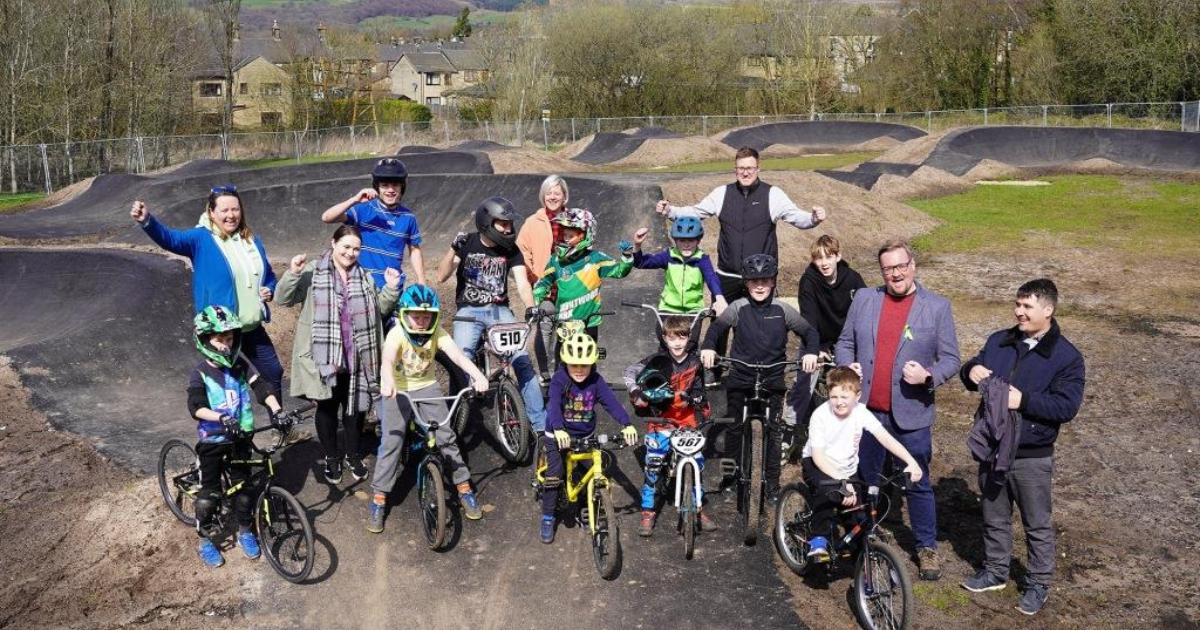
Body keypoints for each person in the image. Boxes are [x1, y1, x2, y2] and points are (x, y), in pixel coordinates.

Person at [835, 239, 960, 581]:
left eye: (901, 266)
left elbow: (951, 358)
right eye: (888, 268)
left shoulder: (936, 306)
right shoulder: (864, 299)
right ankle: (865, 539)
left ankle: (926, 547)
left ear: (913, 265)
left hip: (912, 414)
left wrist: (928, 376)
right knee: (864, 478)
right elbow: (845, 342)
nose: (895, 274)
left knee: (916, 480)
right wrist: (848, 367)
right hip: (868, 412)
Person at [958, 279, 1085, 616]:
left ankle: (1038, 583)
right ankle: (995, 572)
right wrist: (970, 370)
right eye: (1018, 304)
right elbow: (971, 365)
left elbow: (1066, 407)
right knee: (994, 515)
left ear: (1048, 310)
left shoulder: (1067, 358)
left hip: (1031, 455)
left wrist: (1023, 400)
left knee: (1037, 523)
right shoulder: (999, 341)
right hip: (992, 445)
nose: (1019, 312)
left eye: (1027, 306)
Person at [656, 146, 827, 353]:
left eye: (750, 168)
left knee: (757, 326)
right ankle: (715, 371)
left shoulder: (773, 195)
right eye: (740, 168)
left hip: (759, 277)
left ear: (758, 169)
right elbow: (696, 211)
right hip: (726, 275)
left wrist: (813, 219)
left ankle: (754, 368)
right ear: (735, 170)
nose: (745, 172)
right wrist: (670, 211)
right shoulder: (722, 194)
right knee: (720, 324)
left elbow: (796, 217)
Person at [275, 225, 401, 485]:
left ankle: (352, 456)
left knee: (355, 410)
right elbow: (282, 299)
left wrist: (390, 289)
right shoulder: (313, 271)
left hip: (358, 357)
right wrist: (293, 272)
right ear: (333, 244)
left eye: (356, 248)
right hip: (325, 358)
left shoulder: (363, 276)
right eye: (346, 246)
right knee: (327, 409)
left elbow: (379, 311)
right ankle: (332, 457)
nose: (351, 253)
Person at [131, 188, 283, 394]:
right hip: (220, 332)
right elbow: (170, 239)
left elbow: (269, 276)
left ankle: (279, 421)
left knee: (273, 372)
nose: (231, 215)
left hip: (251, 327)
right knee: (228, 384)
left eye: (235, 209)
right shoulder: (201, 238)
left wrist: (269, 289)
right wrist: (147, 221)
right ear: (212, 212)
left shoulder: (252, 240)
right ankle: (228, 425)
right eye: (224, 210)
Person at [367, 284, 490, 533]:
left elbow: (458, 357)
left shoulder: (438, 334)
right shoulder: (398, 333)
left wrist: (478, 376)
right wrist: (387, 379)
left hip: (427, 387)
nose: (422, 322)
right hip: (398, 390)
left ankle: (464, 487)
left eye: (427, 316)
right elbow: (388, 359)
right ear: (404, 314)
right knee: (392, 442)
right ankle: (379, 498)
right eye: (416, 316)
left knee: (446, 437)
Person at [701, 254, 819, 503]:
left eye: (765, 280)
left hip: (772, 377)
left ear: (773, 281)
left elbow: (809, 332)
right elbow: (715, 330)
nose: (760, 285)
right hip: (741, 375)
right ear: (746, 282)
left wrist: (810, 352)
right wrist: (709, 347)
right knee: (733, 428)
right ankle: (730, 479)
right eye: (754, 281)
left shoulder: (783, 310)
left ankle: (773, 484)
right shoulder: (738, 308)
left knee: (774, 432)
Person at [435, 196, 546, 433]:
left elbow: (522, 283)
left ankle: (540, 426)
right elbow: (441, 276)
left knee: (522, 362)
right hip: (469, 311)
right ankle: (454, 423)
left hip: (500, 311)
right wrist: (452, 249)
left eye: (509, 224)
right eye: (502, 224)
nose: (508, 229)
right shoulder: (467, 242)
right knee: (460, 359)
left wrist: (530, 306)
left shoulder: (511, 249)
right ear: (486, 222)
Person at [187, 305, 283, 568]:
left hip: (241, 437)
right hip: (213, 441)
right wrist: (220, 418)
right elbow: (196, 407)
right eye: (219, 339)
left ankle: (245, 531)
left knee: (244, 489)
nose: (225, 345)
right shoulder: (201, 372)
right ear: (205, 340)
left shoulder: (240, 363)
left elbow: (260, 386)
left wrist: (277, 410)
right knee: (210, 497)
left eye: (229, 339)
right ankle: (206, 539)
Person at [801, 367, 923, 562]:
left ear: (857, 396)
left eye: (844, 396)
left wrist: (911, 461)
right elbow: (818, 456)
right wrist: (841, 481)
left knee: (858, 511)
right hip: (819, 464)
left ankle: (858, 552)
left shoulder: (861, 412)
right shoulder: (820, 415)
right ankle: (818, 539)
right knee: (829, 494)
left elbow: (885, 438)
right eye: (834, 397)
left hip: (847, 468)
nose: (839, 402)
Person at [540, 332, 638, 544]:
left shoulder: (596, 381)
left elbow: (611, 402)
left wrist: (627, 423)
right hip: (558, 434)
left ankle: (586, 510)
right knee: (554, 476)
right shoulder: (559, 379)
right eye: (574, 365)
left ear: (592, 364)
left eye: (584, 365)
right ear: (565, 362)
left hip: (585, 435)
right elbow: (554, 404)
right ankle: (548, 516)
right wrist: (558, 428)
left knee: (589, 474)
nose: (579, 370)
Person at [624, 315, 716, 536]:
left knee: (696, 463)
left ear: (689, 338)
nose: (677, 342)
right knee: (653, 466)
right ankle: (648, 510)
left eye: (682, 337)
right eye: (672, 337)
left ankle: (697, 507)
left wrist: (700, 403)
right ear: (664, 338)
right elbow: (629, 372)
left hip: (687, 422)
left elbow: (700, 389)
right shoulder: (656, 360)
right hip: (660, 422)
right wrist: (635, 391)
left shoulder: (695, 363)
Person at [786, 234, 868, 422]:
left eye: (828, 257)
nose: (824, 263)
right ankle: (789, 427)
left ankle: (855, 421)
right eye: (818, 258)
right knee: (805, 377)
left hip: (846, 339)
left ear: (838, 256)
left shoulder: (853, 279)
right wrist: (815, 349)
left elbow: (865, 312)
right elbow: (809, 319)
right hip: (818, 337)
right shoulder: (809, 281)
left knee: (852, 379)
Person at [532, 207, 633, 346]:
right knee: (562, 362)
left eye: (570, 236)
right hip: (565, 321)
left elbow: (620, 271)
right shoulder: (556, 260)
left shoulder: (595, 258)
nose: (566, 240)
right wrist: (535, 304)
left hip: (589, 321)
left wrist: (627, 256)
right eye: (565, 235)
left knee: (589, 361)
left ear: (584, 236)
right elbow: (543, 283)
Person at [320, 157, 425, 290]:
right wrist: (354, 199)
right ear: (377, 187)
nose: (390, 190)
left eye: (395, 185)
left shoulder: (408, 217)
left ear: (402, 187)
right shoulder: (363, 209)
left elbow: (414, 250)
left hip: (392, 287)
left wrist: (421, 281)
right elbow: (327, 217)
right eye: (385, 185)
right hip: (362, 286)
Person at [516, 175, 570, 376]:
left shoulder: (574, 219)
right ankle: (544, 373)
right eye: (549, 193)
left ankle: (561, 371)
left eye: (557, 193)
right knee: (545, 327)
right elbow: (521, 251)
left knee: (566, 329)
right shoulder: (532, 222)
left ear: (564, 196)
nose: (553, 197)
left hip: (569, 287)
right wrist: (532, 276)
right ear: (543, 196)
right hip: (545, 287)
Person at [630, 216, 728, 316]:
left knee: (691, 331)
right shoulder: (668, 256)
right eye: (682, 241)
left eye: (691, 241)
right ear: (675, 241)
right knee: (662, 331)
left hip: (693, 311)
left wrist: (719, 297)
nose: (686, 245)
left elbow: (711, 278)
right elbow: (641, 263)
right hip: (668, 309)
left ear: (698, 241)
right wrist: (637, 245)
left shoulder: (702, 260)